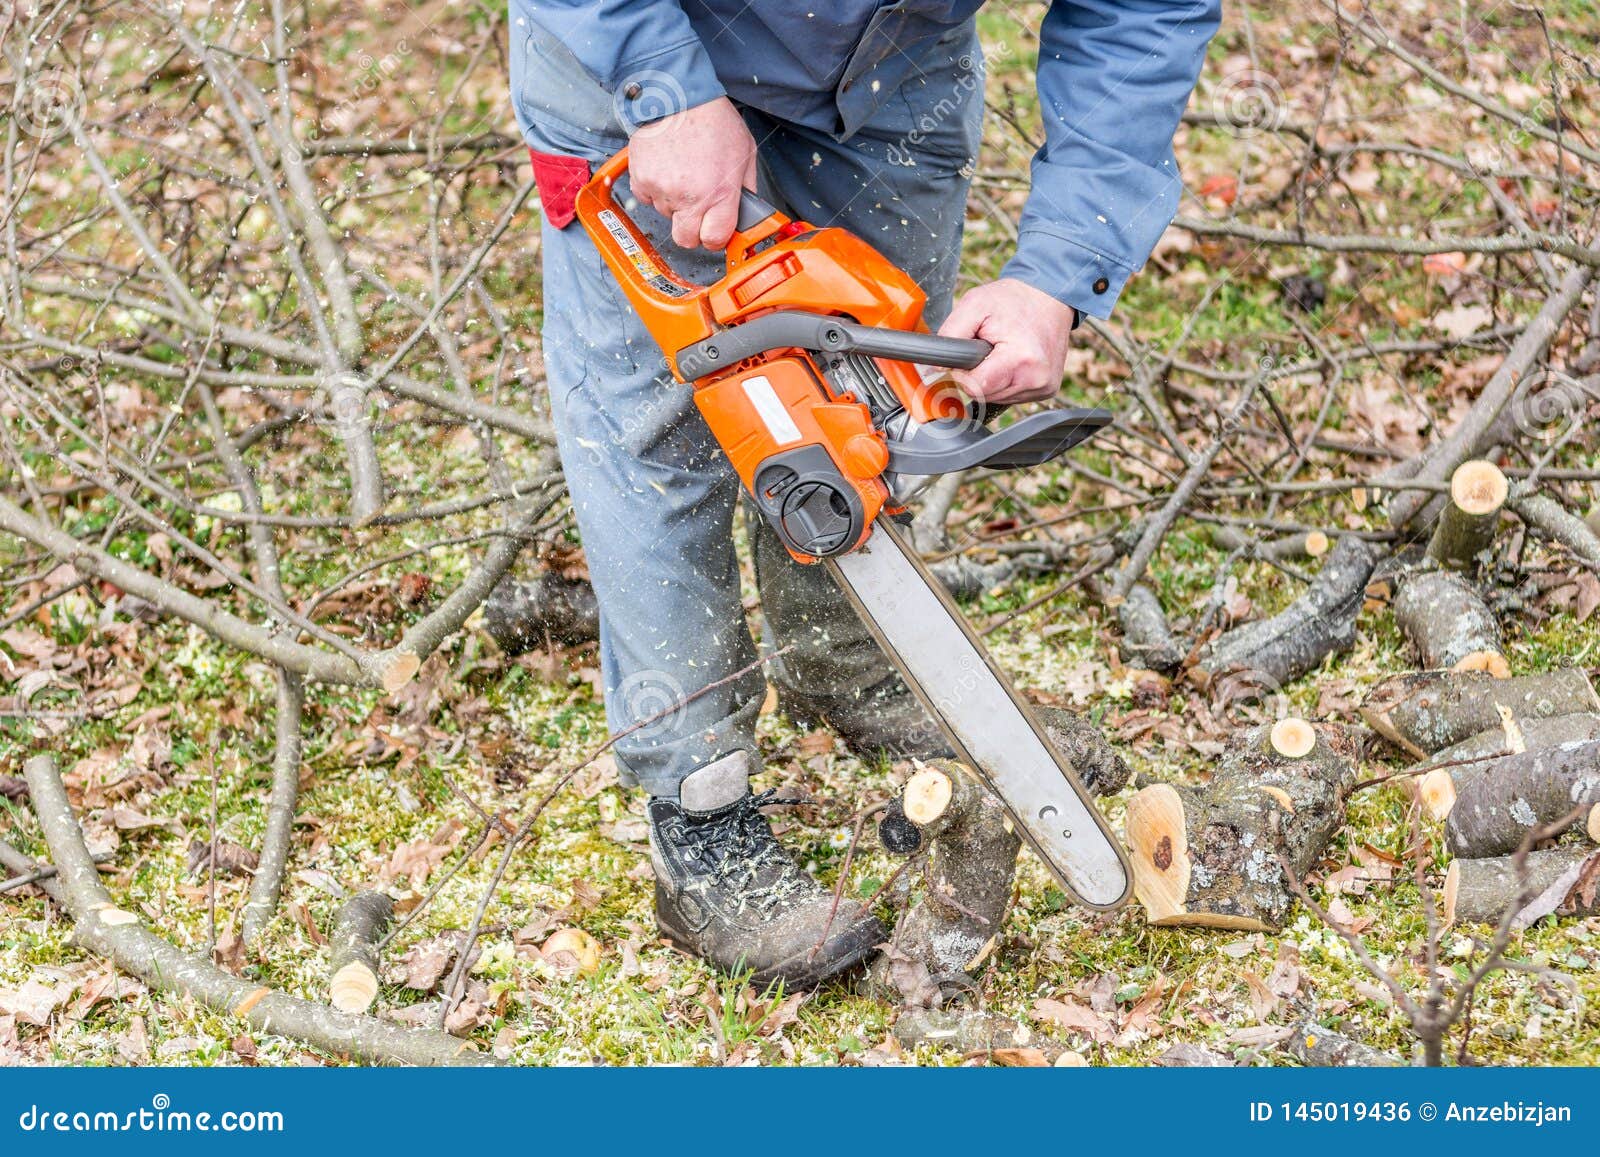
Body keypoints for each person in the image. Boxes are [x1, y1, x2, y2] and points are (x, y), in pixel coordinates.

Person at [508, 0, 1219, 988]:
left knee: (858, 404)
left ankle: (846, 663)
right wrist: (660, 88)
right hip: (642, 43)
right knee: (661, 435)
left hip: (891, 73)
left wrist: (1056, 270)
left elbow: (1142, 15)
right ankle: (697, 803)